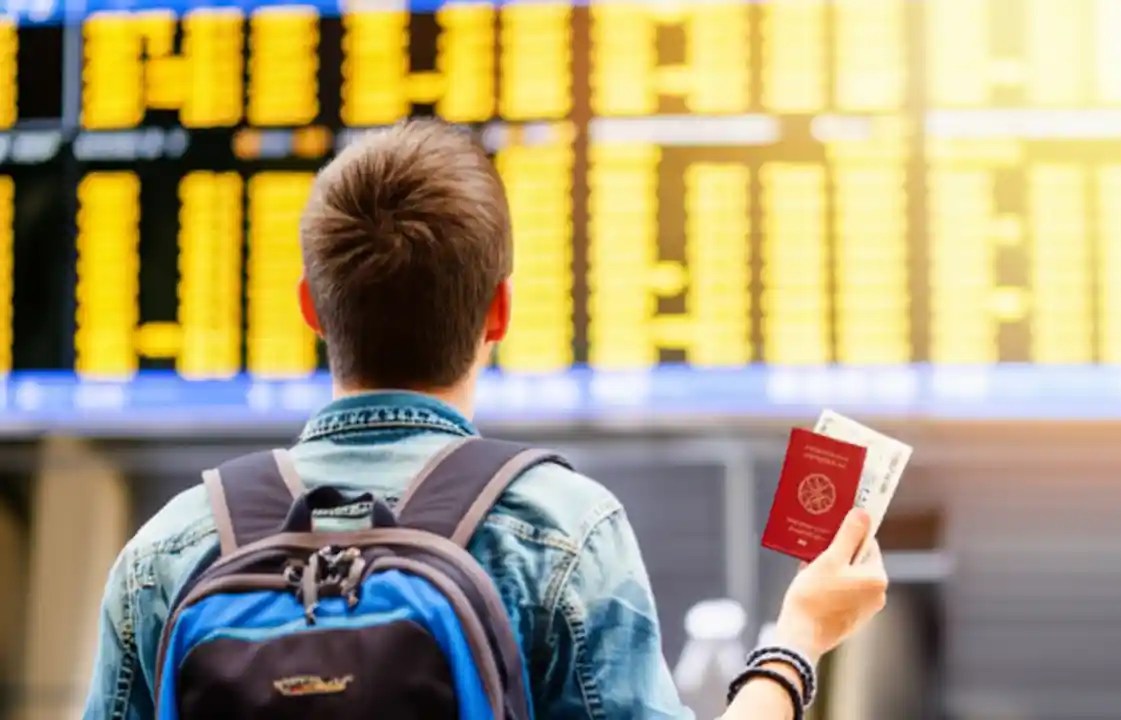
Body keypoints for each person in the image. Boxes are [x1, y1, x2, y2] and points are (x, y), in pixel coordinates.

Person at [82, 119, 888, 720]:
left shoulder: (166, 552)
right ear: (499, 311)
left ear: (311, 309)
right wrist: (798, 636)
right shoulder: (562, 533)